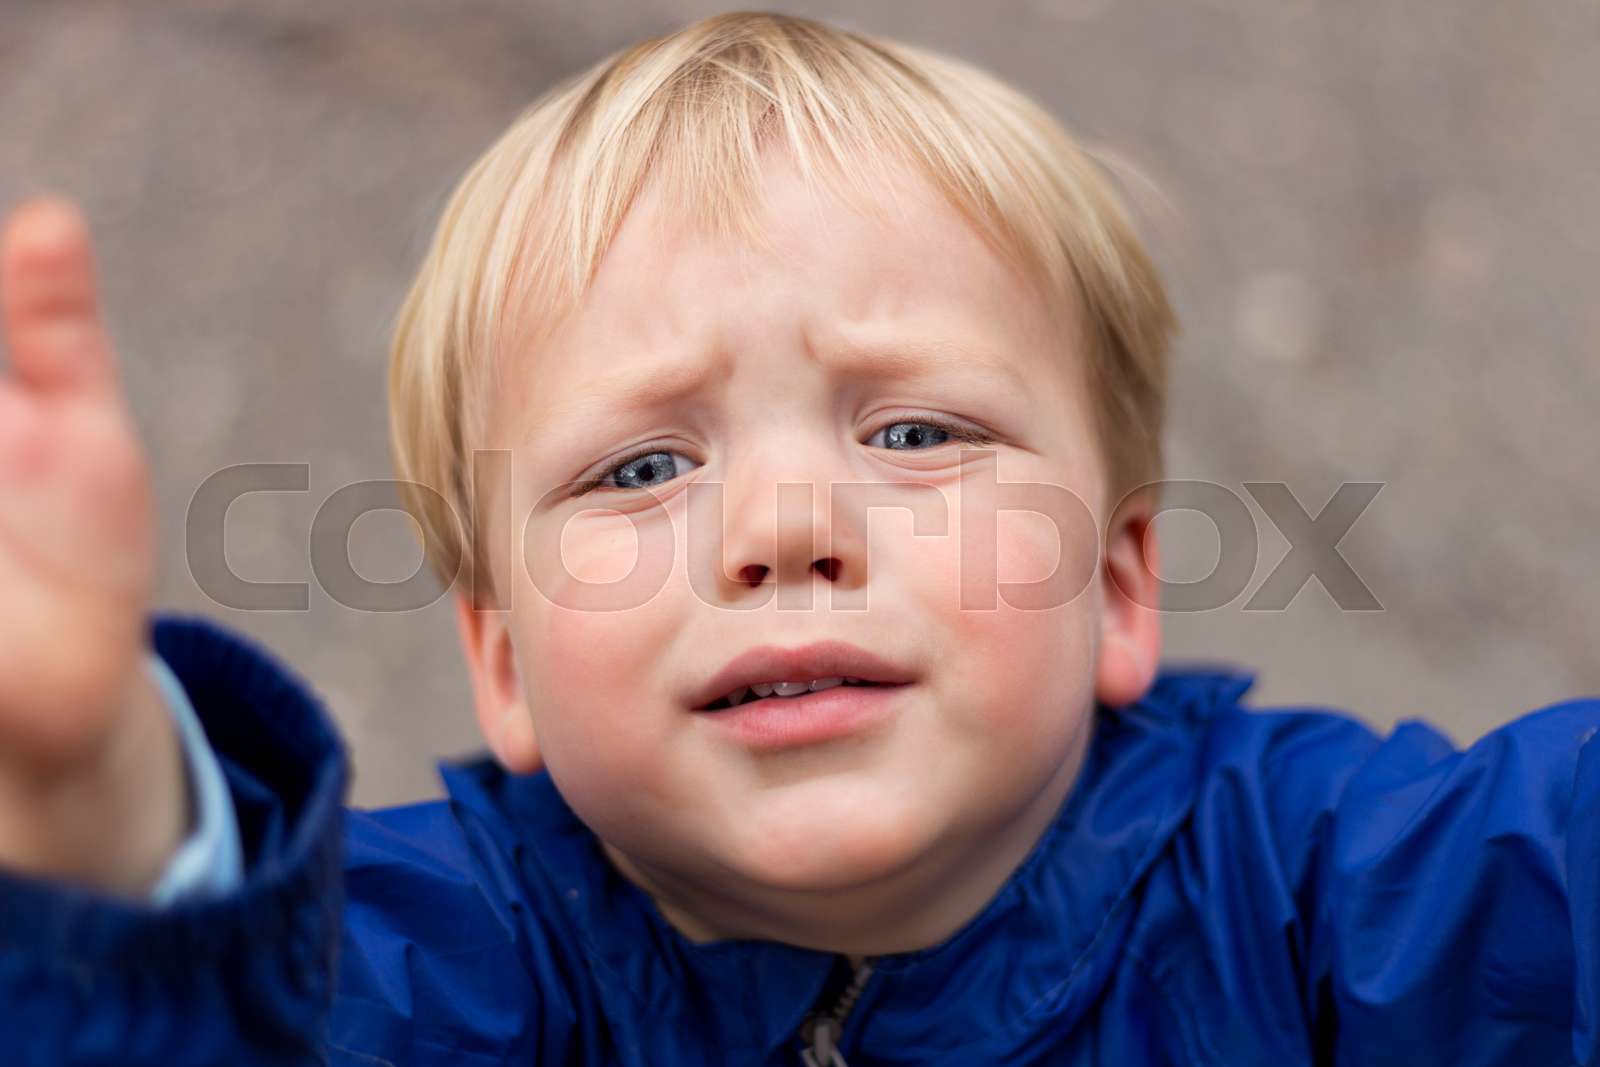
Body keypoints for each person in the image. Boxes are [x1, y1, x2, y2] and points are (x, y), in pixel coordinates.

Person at [1, 11, 1596, 1066]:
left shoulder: (1318, 896)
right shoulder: (459, 969)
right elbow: (236, 1017)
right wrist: (91, 800)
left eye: (913, 433)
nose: (780, 528)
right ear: (502, 662)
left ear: (1115, 589)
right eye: (638, 470)